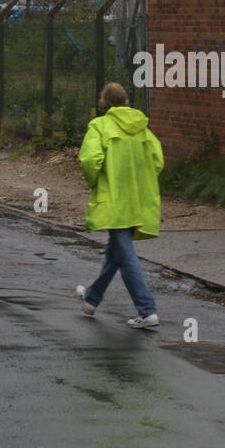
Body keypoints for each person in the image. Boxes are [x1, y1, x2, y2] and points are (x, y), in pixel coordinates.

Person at [76, 82, 164, 328]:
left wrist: (95, 182)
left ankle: (147, 310)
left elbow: (90, 160)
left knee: (125, 254)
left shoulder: (100, 126)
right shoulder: (143, 129)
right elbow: (158, 162)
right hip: (139, 199)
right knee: (117, 250)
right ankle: (92, 298)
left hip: (115, 198)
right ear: (126, 101)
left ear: (104, 104)